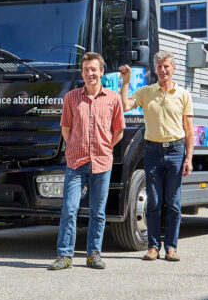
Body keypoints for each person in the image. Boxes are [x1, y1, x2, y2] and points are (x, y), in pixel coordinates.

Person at [49, 52, 125, 270]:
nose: (90, 73)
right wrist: (74, 146)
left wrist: (106, 147)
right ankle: (64, 256)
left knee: (98, 212)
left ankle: (93, 254)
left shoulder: (113, 98)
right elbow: (66, 129)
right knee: (69, 209)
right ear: (82, 73)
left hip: (102, 162)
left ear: (101, 72)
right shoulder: (71, 98)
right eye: (86, 70)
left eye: (94, 69)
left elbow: (119, 130)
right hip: (76, 162)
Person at [118, 51, 194, 261]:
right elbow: (125, 106)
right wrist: (126, 82)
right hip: (152, 152)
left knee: (173, 203)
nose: (162, 70)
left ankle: (171, 247)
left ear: (174, 69)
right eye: (159, 66)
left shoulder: (183, 95)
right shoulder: (146, 92)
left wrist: (188, 158)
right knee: (154, 202)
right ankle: (153, 247)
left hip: (176, 152)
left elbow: (189, 130)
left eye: (166, 66)